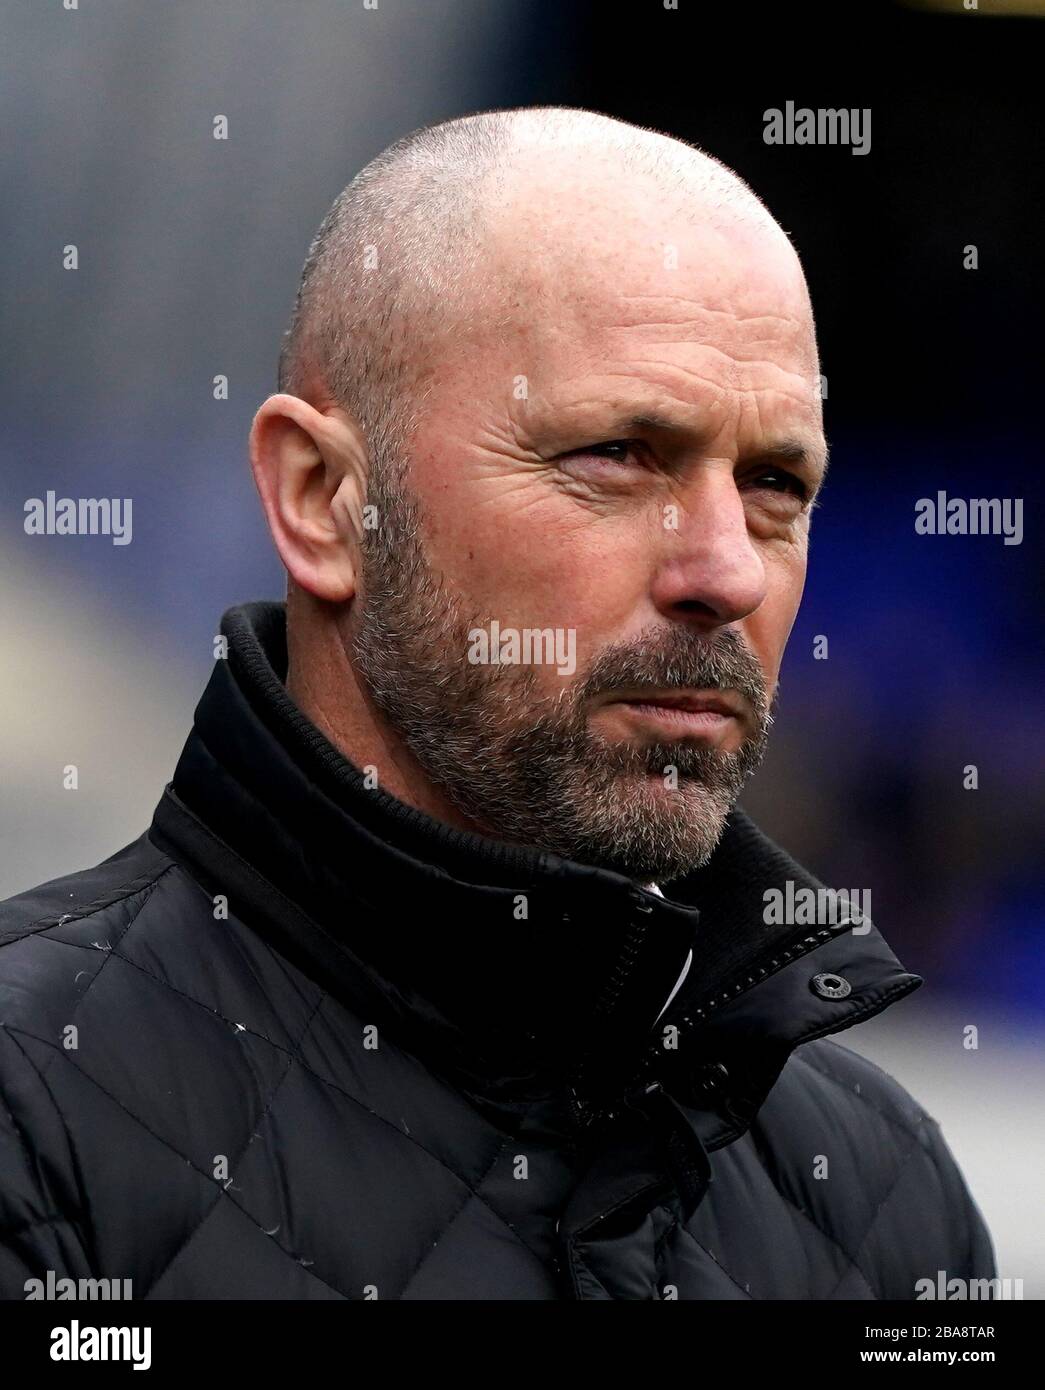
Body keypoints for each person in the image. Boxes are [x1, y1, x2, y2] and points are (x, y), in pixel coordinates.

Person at [0, 106, 995, 1300]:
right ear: (323, 500)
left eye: (777, 484)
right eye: (618, 454)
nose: (727, 569)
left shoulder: (889, 1200)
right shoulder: (29, 1109)